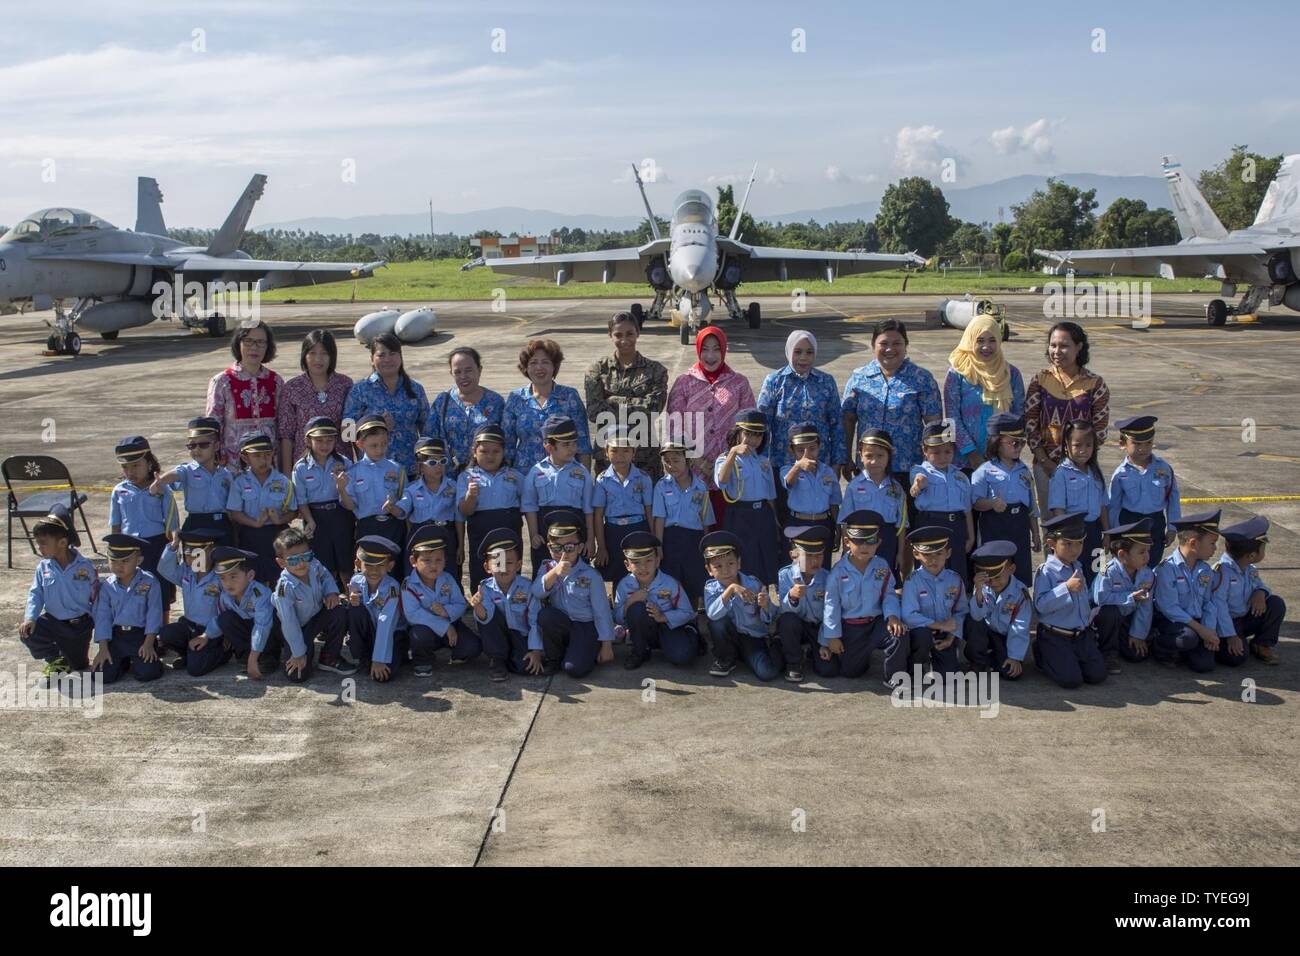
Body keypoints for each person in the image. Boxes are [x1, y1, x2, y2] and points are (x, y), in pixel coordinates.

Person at [665, 326, 757, 524]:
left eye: (716, 349)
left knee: (728, 530)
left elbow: (748, 426)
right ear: (698, 350)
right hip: (693, 473)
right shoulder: (684, 383)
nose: (710, 355)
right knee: (697, 530)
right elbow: (674, 428)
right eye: (705, 349)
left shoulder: (739, 383)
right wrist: (699, 462)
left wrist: (727, 460)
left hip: (731, 473)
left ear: (724, 350)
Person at [841, 319, 941, 489]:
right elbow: (847, 420)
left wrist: (934, 464)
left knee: (906, 515)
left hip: (909, 469)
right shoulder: (859, 378)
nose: (890, 349)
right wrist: (845, 457)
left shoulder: (922, 379)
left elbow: (934, 425)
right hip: (868, 467)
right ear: (873, 345)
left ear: (906, 345)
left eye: (897, 343)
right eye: (884, 343)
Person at [757, 330, 849, 514]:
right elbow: (763, 425)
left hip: (819, 466)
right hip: (783, 465)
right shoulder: (775, 381)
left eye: (809, 352)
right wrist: (762, 463)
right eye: (798, 352)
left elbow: (836, 424)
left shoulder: (826, 381)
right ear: (789, 351)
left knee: (820, 519)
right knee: (785, 520)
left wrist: (837, 463)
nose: (804, 358)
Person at [1024, 321, 1110, 513]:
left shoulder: (1095, 384)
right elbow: (1030, 425)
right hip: (1046, 467)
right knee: (1052, 526)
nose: (1057, 351)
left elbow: (1100, 432)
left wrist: (1077, 464)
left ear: (1079, 347)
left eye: (1064, 346)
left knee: (1083, 523)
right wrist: (1045, 462)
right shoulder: (1040, 380)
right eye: (1053, 345)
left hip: (1082, 468)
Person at [817, 516, 907, 682]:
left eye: (870, 540)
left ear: (878, 542)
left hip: (877, 623)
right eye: (858, 541)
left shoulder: (882, 566)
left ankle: (895, 677)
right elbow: (831, 606)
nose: (865, 546)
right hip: (852, 628)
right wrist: (832, 636)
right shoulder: (837, 573)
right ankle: (863, 655)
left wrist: (893, 617)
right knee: (851, 671)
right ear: (847, 541)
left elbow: (889, 594)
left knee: (899, 633)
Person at [528, 510, 615, 678]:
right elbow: (537, 592)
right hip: (563, 624)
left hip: (585, 626)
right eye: (556, 548)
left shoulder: (591, 575)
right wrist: (555, 573)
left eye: (569, 547)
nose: (563, 554)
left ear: (580, 547)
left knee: (574, 669)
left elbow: (602, 612)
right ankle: (554, 659)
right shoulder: (547, 568)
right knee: (546, 615)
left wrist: (606, 645)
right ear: (548, 547)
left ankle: (584, 649)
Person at [584, 312, 668, 480]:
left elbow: (653, 409)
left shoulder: (656, 370)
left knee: (647, 505)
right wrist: (637, 404)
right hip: (609, 457)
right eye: (618, 335)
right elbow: (594, 412)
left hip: (645, 457)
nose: (624, 340)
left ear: (638, 332)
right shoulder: (597, 370)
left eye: (629, 334)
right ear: (610, 335)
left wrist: (612, 400)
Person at [18, 505, 98, 680]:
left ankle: (67, 658)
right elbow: (36, 594)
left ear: (62, 543)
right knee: (27, 632)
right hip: (53, 622)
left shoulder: (85, 567)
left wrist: (101, 631)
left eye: (43, 543)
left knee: (79, 666)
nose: (40, 548)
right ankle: (54, 659)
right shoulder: (43, 567)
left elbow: (96, 597)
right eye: (38, 543)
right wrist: (30, 617)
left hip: (79, 625)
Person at [1152, 511, 1236, 672]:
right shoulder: (1167, 569)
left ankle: (1186, 650)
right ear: (1193, 543)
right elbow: (1169, 608)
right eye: (1212, 543)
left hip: (1196, 624)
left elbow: (1208, 603)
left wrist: (1209, 630)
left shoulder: (1205, 570)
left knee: (1205, 665)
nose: (1215, 548)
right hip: (1172, 622)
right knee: (1187, 638)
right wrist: (1201, 630)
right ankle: (1159, 646)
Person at [1032, 513, 1106, 688]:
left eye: (1079, 543)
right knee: (1071, 681)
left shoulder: (1077, 566)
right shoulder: (1046, 571)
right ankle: (1042, 653)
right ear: (1051, 544)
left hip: (1080, 635)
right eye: (1067, 544)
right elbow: (1040, 606)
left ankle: (1070, 658)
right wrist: (1065, 587)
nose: (1075, 549)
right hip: (1056, 635)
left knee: (1097, 675)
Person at [942, 314, 1025, 469]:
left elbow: (1018, 415)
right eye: (980, 341)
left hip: (1002, 460)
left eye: (992, 340)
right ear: (970, 340)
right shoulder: (957, 374)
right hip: (964, 463)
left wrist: (1005, 450)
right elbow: (952, 418)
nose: (986, 347)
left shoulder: (1011, 374)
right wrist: (972, 454)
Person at [342, 332, 429, 477]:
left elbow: (428, 430)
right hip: (371, 473)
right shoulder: (360, 390)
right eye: (381, 355)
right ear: (372, 359)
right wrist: (374, 426)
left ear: (401, 357)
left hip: (409, 472)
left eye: (393, 353)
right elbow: (346, 433)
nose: (387, 359)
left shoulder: (415, 389)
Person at [271, 527, 352, 681]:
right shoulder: (284, 589)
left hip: (315, 617)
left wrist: (331, 592)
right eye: (294, 559)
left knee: (339, 611)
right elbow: (289, 623)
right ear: (281, 562)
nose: (301, 563)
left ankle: (329, 657)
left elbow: (325, 576)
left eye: (306, 555)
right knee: (297, 675)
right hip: (295, 628)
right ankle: (291, 650)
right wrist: (299, 653)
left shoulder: (313, 564)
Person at [971, 413, 1040, 587]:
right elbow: (975, 502)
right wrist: (992, 504)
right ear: (997, 443)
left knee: (1020, 568)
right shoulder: (984, 471)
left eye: (1021, 442)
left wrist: (1036, 533)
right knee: (994, 567)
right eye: (1013, 442)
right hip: (995, 524)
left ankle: (1022, 604)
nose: (1018, 447)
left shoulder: (1024, 471)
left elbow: (1031, 506)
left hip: (1019, 525)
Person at [521, 415, 596, 577]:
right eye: (566, 444)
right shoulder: (536, 472)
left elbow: (588, 510)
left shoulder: (582, 473)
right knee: (544, 571)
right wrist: (534, 534)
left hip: (575, 532)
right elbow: (530, 506)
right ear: (549, 447)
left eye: (574, 443)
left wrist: (590, 539)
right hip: (545, 532)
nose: (572, 448)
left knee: (578, 573)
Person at [503, 338, 592, 472]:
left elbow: (583, 445)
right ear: (526, 367)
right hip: (524, 476)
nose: (539, 367)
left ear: (554, 367)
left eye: (545, 362)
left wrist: (584, 480)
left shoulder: (569, 396)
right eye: (533, 362)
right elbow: (507, 446)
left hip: (564, 476)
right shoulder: (516, 398)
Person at [110, 435, 178, 611]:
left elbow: (171, 519)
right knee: (134, 589)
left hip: (156, 545)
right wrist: (115, 548)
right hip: (130, 547)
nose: (130, 471)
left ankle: (162, 634)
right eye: (125, 467)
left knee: (160, 589)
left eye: (136, 465)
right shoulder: (119, 491)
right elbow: (116, 525)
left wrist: (173, 544)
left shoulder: (161, 488)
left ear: (149, 464)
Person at [613, 531, 698, 670]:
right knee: (636, 608)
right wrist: (629, 603)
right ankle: (640, 651)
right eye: (636, 562)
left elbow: (687, 612)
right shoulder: (624, 585)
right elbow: (617, 618)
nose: (643, 567)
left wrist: (662, 616)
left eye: (649, 560)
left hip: (670, 627)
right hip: (645, 631)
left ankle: (691, 638)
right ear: (627, 565)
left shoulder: (670, 583)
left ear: (657, 561)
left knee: (682, 657)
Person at [701, 530, 777, 681]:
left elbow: (771, 616)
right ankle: (725, 659)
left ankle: (752, 654)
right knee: (717, 623)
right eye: (718, 566)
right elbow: (712, 614)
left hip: (752, 637)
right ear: (709, 570)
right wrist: (731, 589)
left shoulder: (754, 584)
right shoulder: (711, 588)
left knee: (767, 673)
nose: (726, 570)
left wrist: (765, 605)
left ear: (739, 563)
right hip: (728, 638)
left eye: (730, 563)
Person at [457, 424, 524, 594]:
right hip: (482, 531)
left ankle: (511, 604)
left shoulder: (515, 476)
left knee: (507, 568)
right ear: (474, 452)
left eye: (496, 451)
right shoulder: (466, 477)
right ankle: (484, 608)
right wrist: (470, 496)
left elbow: (528, 506)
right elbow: (465, 511)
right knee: (483, 570)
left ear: (503, 452)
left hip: (508, 529)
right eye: (484, 451)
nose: (490, 456)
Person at [337, 415, 407, 579]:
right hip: (367, 526)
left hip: (393, 525)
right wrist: (341, 490)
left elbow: (406, 499)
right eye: (374, 445)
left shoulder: (397, 469)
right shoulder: (354, 472)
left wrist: (395, 507)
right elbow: (349, 505)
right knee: (370, 570)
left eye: (383, 444)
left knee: (394, 568)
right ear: (360, 444)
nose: (380, 450)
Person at [205, 320, 282, 468]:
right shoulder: (222, 382)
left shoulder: (276, 381)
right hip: (233, 469)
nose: (254, 347)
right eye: (248, 341)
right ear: (238, 343)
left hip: (269, 468)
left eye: (261, 342)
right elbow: (213, 429)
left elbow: (282, 426)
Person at [402, 524, 476, 678]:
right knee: (418, 636)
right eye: (427, 560)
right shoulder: (408, 585)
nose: (434, 565)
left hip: (451, 626)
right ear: (413, 561)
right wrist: (444, 626)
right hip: (426, 629)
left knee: (473, 647)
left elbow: (461, 604)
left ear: (445, 560)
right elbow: (412, 614)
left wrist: (446, 611)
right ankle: (422, 660)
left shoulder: (447, 578)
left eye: (438, 560)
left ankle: (453, 651)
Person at [91, 534, 164, 684]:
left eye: (125, 561)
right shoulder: (106, 586)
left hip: (141, 636)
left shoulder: (149, 582)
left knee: (148, 673)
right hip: (116, 637)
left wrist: (149, 643)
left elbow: (154, 613)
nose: (118, 566)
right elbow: (103, 617)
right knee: (101, 676)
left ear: (139, 560)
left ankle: (140, 661)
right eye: (113, 561)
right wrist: (103, 648)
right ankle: (122, 662)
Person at [225, 432, 296, 586]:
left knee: (279, 577)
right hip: (250, 535)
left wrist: (280, 519)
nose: (263, 460)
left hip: (277, 534)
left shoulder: (283, 482)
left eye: (267, 455)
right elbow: (235, 512)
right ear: (245, 458)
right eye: (257, 456)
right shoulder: (239, 482)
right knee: (253, 578)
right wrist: (254, 523)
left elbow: (293, 511)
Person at [1108, 416, 1179, 569]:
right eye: (1137, 443)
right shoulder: (1120, 474)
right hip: (1129, 524)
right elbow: (1113, 505)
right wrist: (1113, 533)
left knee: (1152, 563)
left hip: (1155, 523)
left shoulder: (1164, 469)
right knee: (1129, 565)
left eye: (1148, 443)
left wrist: (1172, 528)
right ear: (1123, 444)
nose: (1143, 448)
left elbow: (1173, 499)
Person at [276, 329, 354, 469]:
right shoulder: (292, 388)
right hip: (304, 468)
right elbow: (286, 434)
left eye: (324, 353)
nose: (318, 359)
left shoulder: (345, 385)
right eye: (312, 353)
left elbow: (351, 430)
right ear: (304, 355)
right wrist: (287, 473)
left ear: (332, 356)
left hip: (340, 465)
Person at [651, 438, 715, 608]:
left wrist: (707, 547)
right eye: (667, 461)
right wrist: (659, 547)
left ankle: (692, 620)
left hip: (694, 540)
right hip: (670, 539)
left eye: (676, 460)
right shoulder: (661, 486)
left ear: (688, 461)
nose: (671, 465)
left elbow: (705, 520)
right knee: (671, 582)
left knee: (693, 582)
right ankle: (671, 619)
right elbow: (659, 518)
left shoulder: (701, 487)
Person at [292, 416, 355, 588]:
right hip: (316, 517)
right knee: (324, 564)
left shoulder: (343, 462)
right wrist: (310, 521)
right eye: (319, 440)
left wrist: (342, 488)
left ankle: (351, 599)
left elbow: (351, 494)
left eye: (329, 440)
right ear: (307, 440)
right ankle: (329, 601)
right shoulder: (301, 467)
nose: (324, 445)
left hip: (341, 514)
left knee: (346, 562)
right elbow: (301, 499)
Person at [900, 526, 967, 687]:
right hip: (921, 635)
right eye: (927, 554)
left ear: (948, 553)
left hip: (945, 636)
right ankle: (916, 664)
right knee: (922, 637)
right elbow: (909, 615)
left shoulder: (955, 580)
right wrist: (940, 625)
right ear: (916, 554)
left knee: (947, 679)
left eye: (939, 553)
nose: (933, 560)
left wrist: (952, 636)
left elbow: (961, 611)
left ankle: (945, 656)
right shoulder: (912, 581)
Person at [909, 422, 974, 585]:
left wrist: (970, 536)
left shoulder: (960, 476)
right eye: (936, 452)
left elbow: (967, 510)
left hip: (956, 526)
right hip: (930, 525)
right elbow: (919, 479)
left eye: (947, 452)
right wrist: (918, 484)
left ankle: (957, 608)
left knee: (957, 569)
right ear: (925, 451)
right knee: (929, 567)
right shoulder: (921, 470)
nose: (942, 457)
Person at [201, 546, 280, 678]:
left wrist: (253, 658)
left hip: (266, 632)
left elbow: (262, 626)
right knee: (225, 619)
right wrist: (205, 636)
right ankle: (244, 657)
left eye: (233, 577)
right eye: (223, 578)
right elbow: (220, 618)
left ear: (250, 575)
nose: (227, 583)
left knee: (270, 621)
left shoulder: (260, 593)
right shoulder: (225, 595)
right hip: (248, 629)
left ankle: (266, 658)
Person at [155, 528, 225, 676]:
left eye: (196, 553)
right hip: (190, 626)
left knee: (195, 669)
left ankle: (221, 654)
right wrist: (173, 545)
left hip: (210, 631)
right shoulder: (187, 572)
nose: (191, 558)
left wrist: (208, 635)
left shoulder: (220, 578)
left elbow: (224, 612)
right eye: (188, 553)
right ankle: (189, 653)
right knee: (166, 633)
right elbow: (164, 569)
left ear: (211, 550)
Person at [426, 346, 506, 476]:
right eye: (457, 372)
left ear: (479, 370)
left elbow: (506, 440)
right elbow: (429, 439)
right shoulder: (442, 401)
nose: (463, 376)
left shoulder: (496, 402)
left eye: (469, 370)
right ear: (451, 373)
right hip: (447, 480)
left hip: (486, 479)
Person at [468, 528, 535, 681]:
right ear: (487, 567)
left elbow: (534, 620)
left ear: (518, 565)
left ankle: (511, 656)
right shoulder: (485, 588)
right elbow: (487, 619)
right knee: (488, 618)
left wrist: (536, 650)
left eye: (509, 562)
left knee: (526, 668)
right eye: (498, 563)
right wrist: (477, 606)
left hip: (521, 634)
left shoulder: (527, 587)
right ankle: (497, 659)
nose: (503, 568)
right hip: (497, 636)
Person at [1048, 420, 1110, 586]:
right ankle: (1079, 608)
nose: (1083, 450)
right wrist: (1067, 537)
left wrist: (1107, 533)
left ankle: (1097, 605)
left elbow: (1103, 505)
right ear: (1066, 446)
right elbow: (1058, 509)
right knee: (1075, 574)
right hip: (1074, 533)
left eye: (1088, 445)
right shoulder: (1061, 474)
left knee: (1099, 572)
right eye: (1077, 445)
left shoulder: (1096, 473)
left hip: (1095, 531)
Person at [1216, 516, 1284, 666]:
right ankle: (1222, 644)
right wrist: (1231, 635)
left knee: (1276, 603)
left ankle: (1261, 643)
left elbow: (1260, 585)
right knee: (1237, 658)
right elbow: (1219, 608)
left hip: (1246, 618)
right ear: (1252, 555)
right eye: (1263, 548)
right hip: (1227, 623)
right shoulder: (1221, 573)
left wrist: (1260, 593)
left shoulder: (1249, 568)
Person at [154, 416, 233, 545]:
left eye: (203, 445)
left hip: (221, 524)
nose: (196, 450)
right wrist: (160, 480)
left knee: (222, 562)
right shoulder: (188, 470)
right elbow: (176, 474)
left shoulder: (226, 475)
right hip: (196, 524)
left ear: (217, 445)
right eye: (192, 445)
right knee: (195, 564)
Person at [1091, 519, 1156, 670]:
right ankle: (1107, 652)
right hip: (1103, 620)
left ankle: (1129, 640)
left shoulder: (1147, 574)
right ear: (1122, 555)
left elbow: (1145, 607)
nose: (1147, 556)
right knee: (1109, 612)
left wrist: (1138, 635)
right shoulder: (1106, 570)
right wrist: (1131, 597)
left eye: (1148, 551)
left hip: (1126, 619)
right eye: (1141, 552)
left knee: (1136, 655)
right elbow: (1100, 599)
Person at [841, 429, 907, 575]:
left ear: (889, 456)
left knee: (886, 583)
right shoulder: (853, 486)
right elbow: (845, 522)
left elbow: (902, 525)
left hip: (888, 541)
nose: (874, 461)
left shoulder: (897, 489)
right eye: (869, 456)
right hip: (860, 540)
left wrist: (901, 553)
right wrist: (847, 549)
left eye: (880, 456)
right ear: (860, 456)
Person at [592, 429, 653, 584]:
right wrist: (601, 546)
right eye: (614, 450)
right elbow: (598, 515)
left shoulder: (643, 478)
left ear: (633, 453)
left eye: (626, 450)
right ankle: (618, 606)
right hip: (613, 532)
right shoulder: (602, 480)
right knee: (617, 575)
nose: (620, 456)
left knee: (642, 572)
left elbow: (649, 511)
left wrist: (655, 542)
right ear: (606, 452)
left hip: (638, 528)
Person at [965, 540, 1032, 681]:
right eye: (989, 579)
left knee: (1010, 673)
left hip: (1006, 637)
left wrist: (1014, 657)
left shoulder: (1020, 592)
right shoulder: (982, 586)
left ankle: (993, 660)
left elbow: (1020, 626)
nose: (993, 583)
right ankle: (977, 662)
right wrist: (978, 591)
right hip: (986, 633)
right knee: (973, 622)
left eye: (997, 577)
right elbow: (976, 616)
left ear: (1012, 569)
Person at [395, 436, 459, 576]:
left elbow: (459, 517)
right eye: (432, 462)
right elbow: (402, 512)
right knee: (417, 574)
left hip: (446, 533)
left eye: (442, 461)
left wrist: (460, 544)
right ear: (420, 465)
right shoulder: (412, 489)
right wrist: (391, 508)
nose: (438, 466)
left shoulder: (454, 487)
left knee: (448, 574)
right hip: (420, 535)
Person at [346, 535, 407, 682]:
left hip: (392, 633)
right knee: (355, 611)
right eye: (368, 565)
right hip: (372, 630)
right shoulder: (355, 581)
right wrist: (352, 601)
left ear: (390, 566)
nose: (374, 571)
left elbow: (386, 620)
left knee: (385, 675)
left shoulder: (393, 588)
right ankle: (362, 656)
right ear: (358, 564)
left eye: (380, 565)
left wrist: (379, 660)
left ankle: (388, 655)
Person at [780, 422, 841, 564]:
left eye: (812, 448)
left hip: (823, 522)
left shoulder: (828, 472)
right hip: (798, 523)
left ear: (819, 447)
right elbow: (788, 482)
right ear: (791, 449)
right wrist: (798, 466)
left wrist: (838, 528)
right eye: (801, 450)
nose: (807, 454)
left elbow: (834, 503)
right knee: (798, 567)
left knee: (822, 566)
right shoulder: (787, 469)